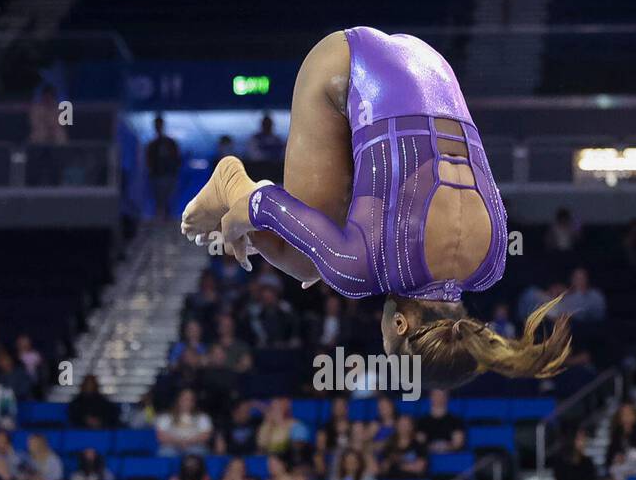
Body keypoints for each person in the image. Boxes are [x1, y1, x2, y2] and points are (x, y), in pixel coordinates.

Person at [180, 28, 569, 390]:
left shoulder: (491, 264)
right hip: (343, 62)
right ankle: (228, 178)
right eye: (386, 341)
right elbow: (266, 205)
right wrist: (234, 223)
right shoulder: (362, 273)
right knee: (303, 263)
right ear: (400, 325)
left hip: (431, 64)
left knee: (341, 240)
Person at [145, 116, 182, 224]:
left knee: (168, 201)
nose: (158, 128)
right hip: (158, 177)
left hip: (168, 176)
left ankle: (167, 220)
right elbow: (149, 161)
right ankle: (162, 221)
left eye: (159, 125)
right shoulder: (152, 145)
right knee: (160, 201)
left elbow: (177, 159)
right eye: (157, 125)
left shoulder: (170, 143)